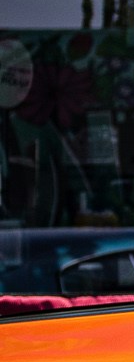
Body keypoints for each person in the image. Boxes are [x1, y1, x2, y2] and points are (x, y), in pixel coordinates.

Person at [0, 38, 83, 230]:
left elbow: (66, 182)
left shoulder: (38, 129)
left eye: (22, 72)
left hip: (33, 232)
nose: (17, 79)